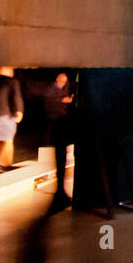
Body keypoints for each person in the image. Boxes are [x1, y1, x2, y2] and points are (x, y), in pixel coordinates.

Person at [42, 72, 75, 209]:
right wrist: (63, 101)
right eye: (62, 80)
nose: (63, 82)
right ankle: (60, 192)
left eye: (65, 81)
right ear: (57, 79)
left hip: (64, 122)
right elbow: (49, 102)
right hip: (56, 120)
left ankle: (61, 192)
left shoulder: (66, 88)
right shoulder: (51, 89)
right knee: (60, 154)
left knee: (62, 154)